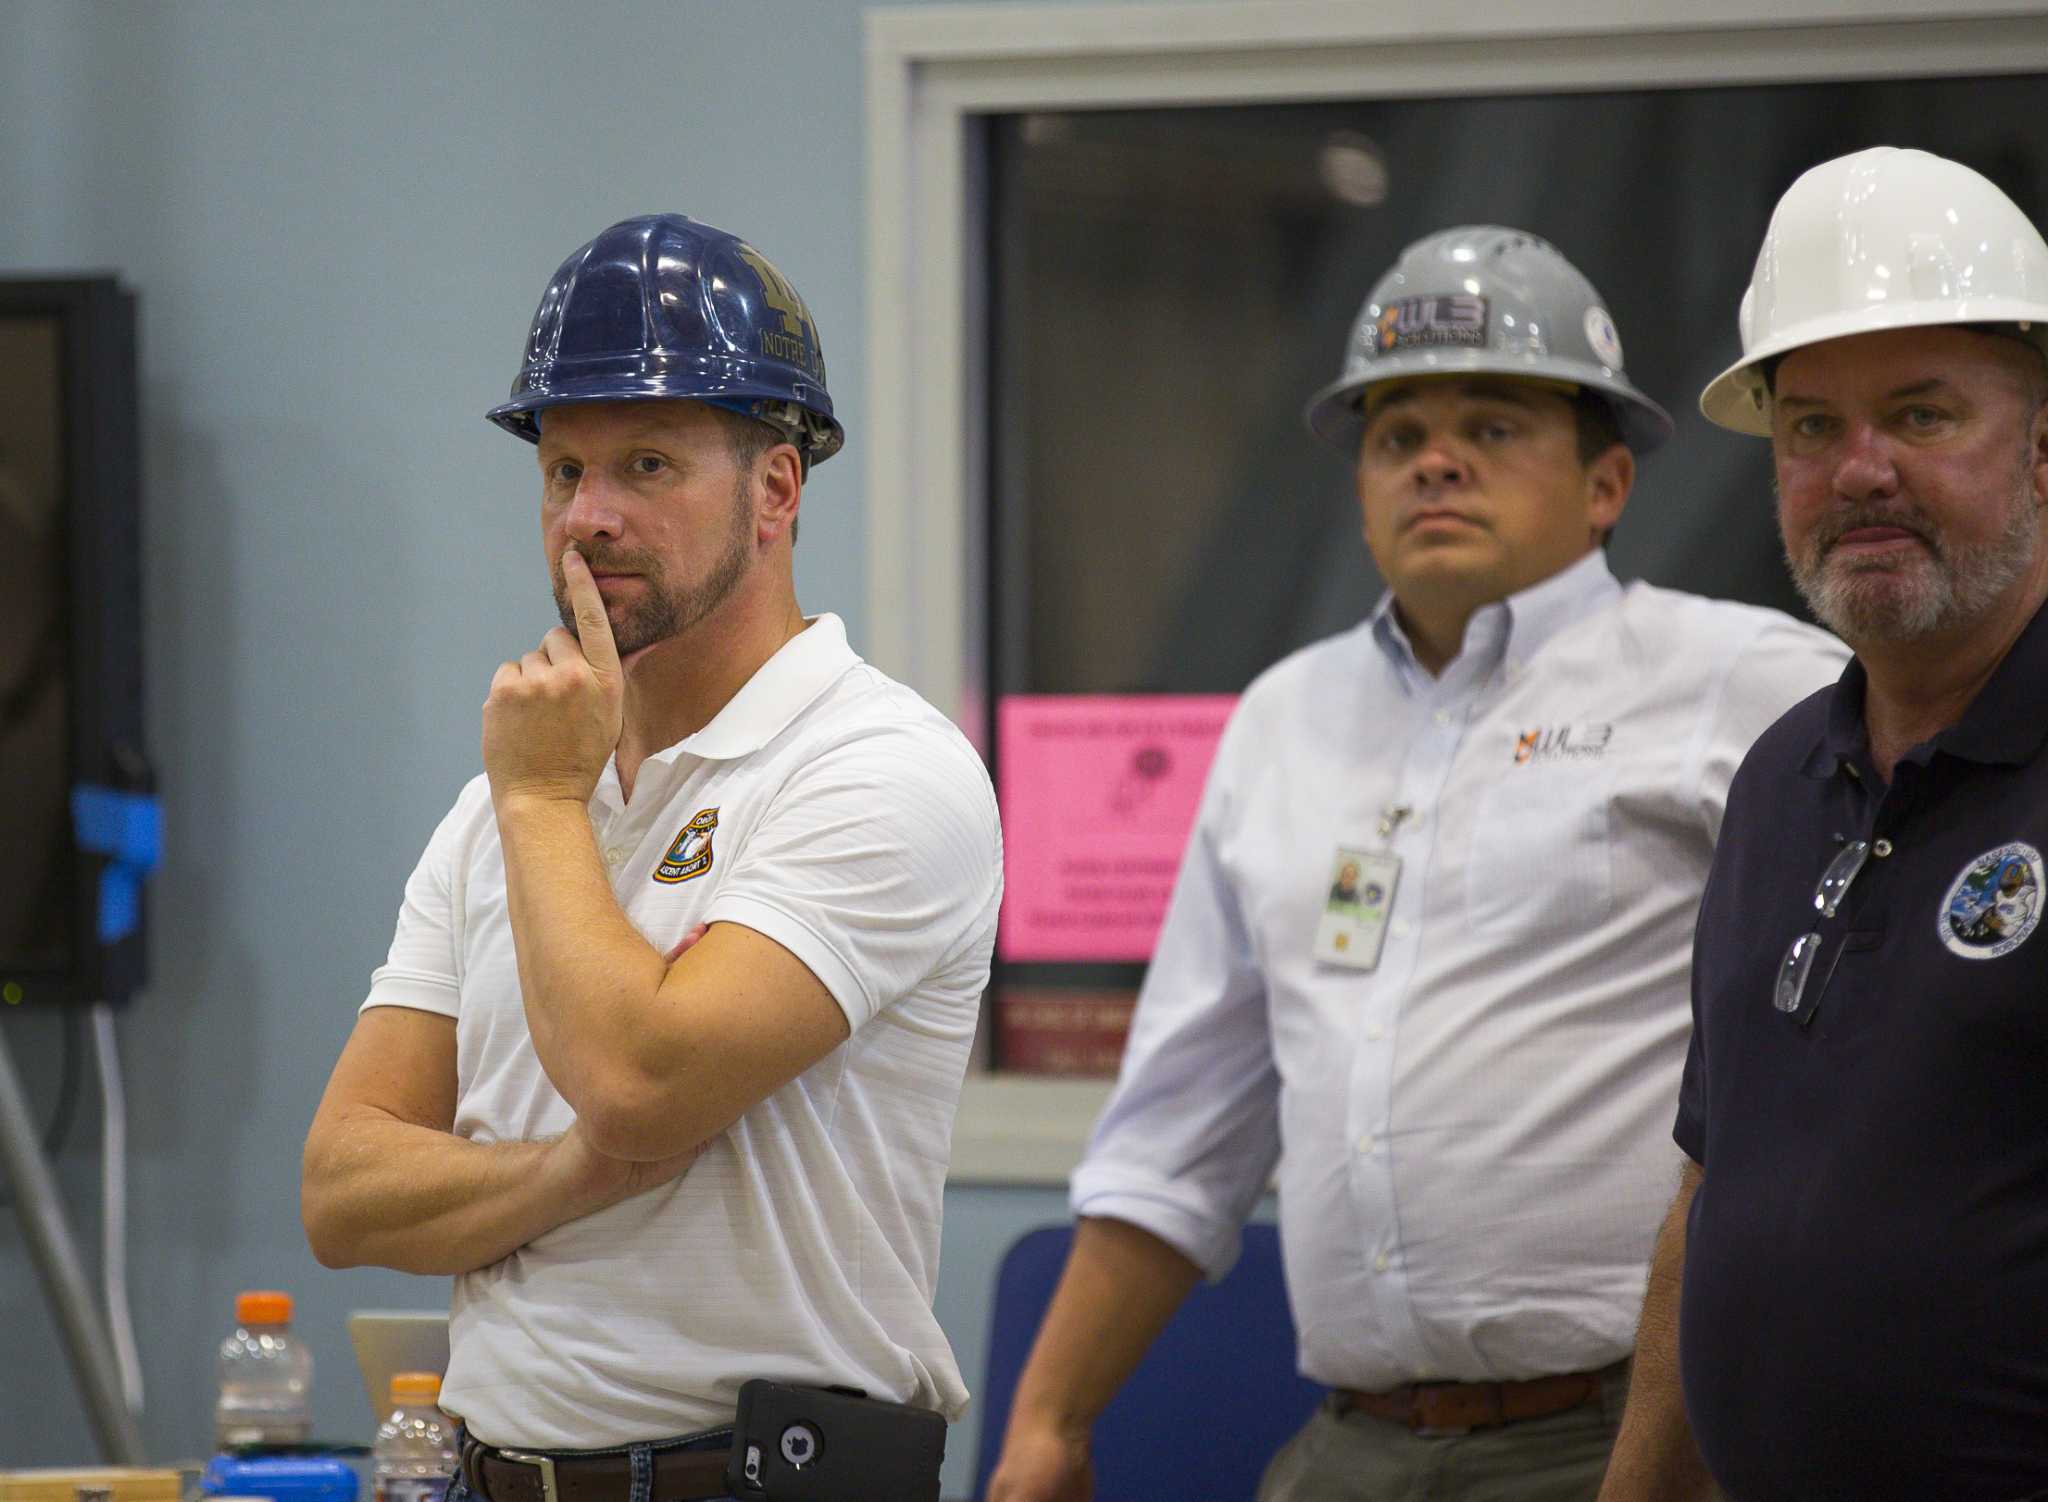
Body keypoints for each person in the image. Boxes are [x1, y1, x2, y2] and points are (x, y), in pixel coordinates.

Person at [985, 226, 1849, 1502]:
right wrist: (1046, 1422)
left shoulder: (1749, 683)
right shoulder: (1282, 719)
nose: (1434, 458)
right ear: (1359, 490)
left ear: (1605, 483)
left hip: (1638, 1434)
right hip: (1353, 1441)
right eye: (1396, 437)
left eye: (1492, 425)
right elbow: (1179, 1126)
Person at [300, 214, 1002, 1502]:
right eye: (563, 471)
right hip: (486, 1475)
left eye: (647, 464)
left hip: (756, 1481)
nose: (590, 517)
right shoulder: (505, 807)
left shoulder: (882, 766)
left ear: (776, 489)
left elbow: (636, 1082)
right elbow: (343, 1187)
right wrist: (570, 1174)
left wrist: (541, 800)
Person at [1599, 147, 2048, 1502]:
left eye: (1920, 415)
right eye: (1812, 428)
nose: (1860, 473)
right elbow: (1711, 1190)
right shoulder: (1783, 776)